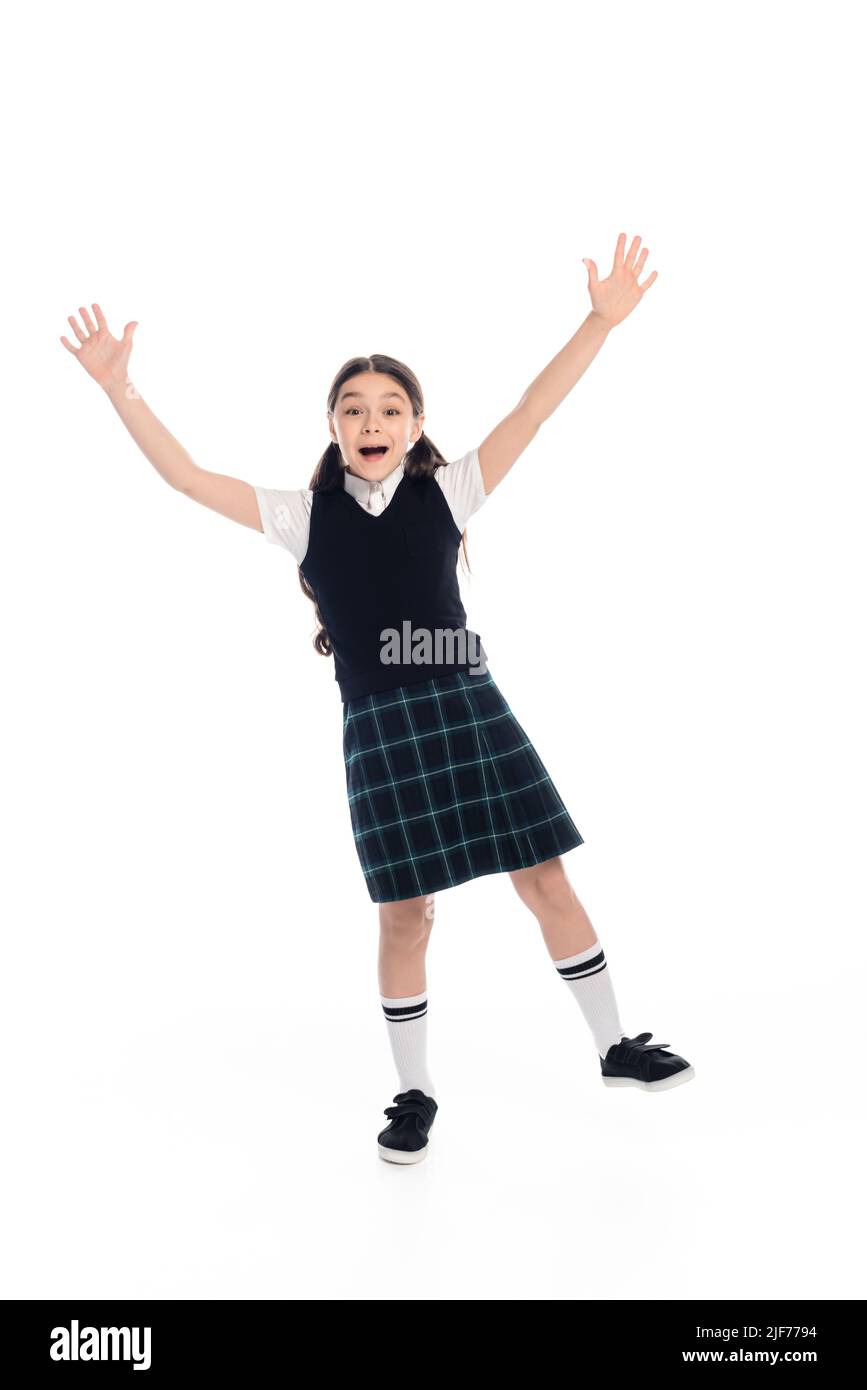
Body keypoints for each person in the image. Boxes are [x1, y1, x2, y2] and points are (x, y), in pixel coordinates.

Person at [60, 232, 694, 1167]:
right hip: (380, 734)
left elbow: (534, 407)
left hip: (471, 712)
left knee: (545, 879)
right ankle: (413, 1091)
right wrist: (121, 388)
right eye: (353, 407)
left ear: (413, 422)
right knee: (407, 914)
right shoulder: (298, 517)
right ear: (332, 424)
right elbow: (187, 477)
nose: (372, 418)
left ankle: (612, 1046)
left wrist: (597, 321)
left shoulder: (453, 491)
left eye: (389, 407)